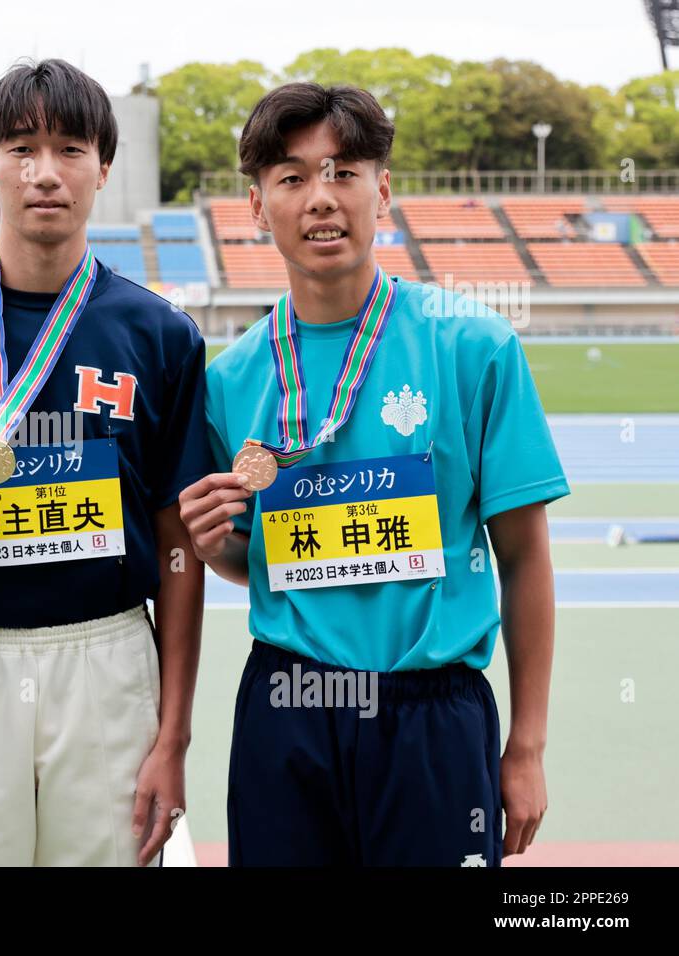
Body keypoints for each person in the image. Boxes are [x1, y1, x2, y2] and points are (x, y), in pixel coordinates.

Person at [178, 82, 568, 866]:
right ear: (257, 206)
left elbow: (524, 558)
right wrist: (216, 541)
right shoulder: (230, 379)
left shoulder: (472, 347)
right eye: (291, 178)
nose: (321, 198)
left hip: (434, 713)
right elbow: (239, 560)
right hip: (290, 704)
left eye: (343, 172)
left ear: (381, 192)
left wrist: (525, 746)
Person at [0, 59, 214, 867]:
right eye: (22, 149)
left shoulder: (162, 334)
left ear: (104, 168)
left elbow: (178, 544)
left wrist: (174, 731)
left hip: (110, 654)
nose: (46, 172)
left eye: (70, 148)